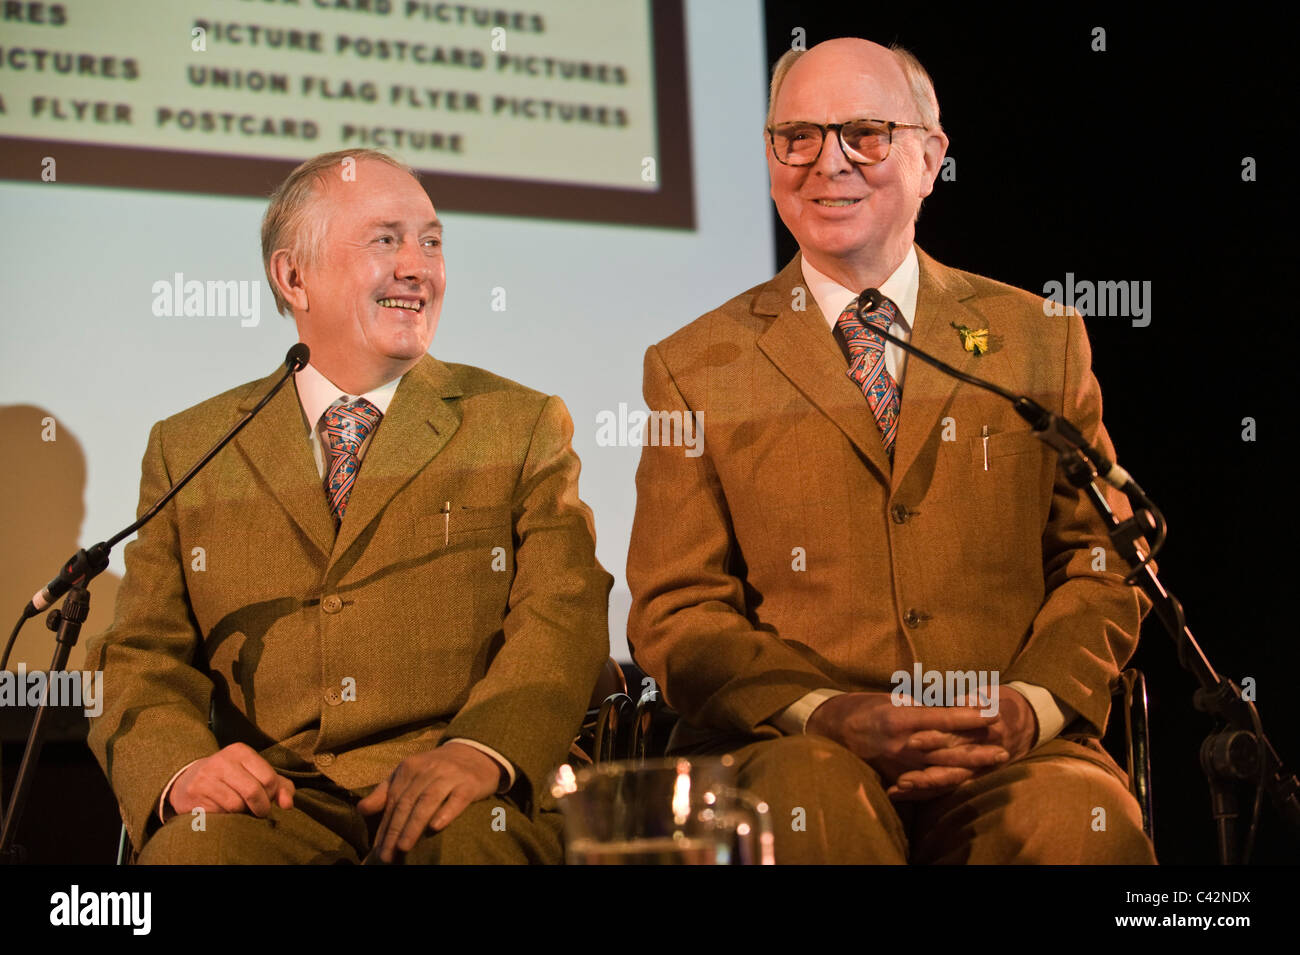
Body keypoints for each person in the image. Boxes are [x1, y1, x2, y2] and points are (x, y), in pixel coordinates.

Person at [626, 38, 1156, 864]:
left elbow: (1102, 555)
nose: (826, 161)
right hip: (799, 751)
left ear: (930, 156)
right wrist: (821, 712)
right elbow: (677, 608)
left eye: (865, 133)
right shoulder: (693, 366)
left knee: (1076, 820)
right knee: (811, 805)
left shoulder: (1035, 339)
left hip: (1009, 752)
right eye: (796, 137)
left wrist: (1031, 704)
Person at [86, 149, 612, 864]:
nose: (418, 267)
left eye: (431, 241)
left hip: (460, 792)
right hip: (274, 801)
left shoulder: (518, 424)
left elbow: (565, 613)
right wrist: (184, 769)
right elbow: (141, 654)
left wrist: (482, 751)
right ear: (292, 275)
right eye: (386, 239)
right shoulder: (192, 447)